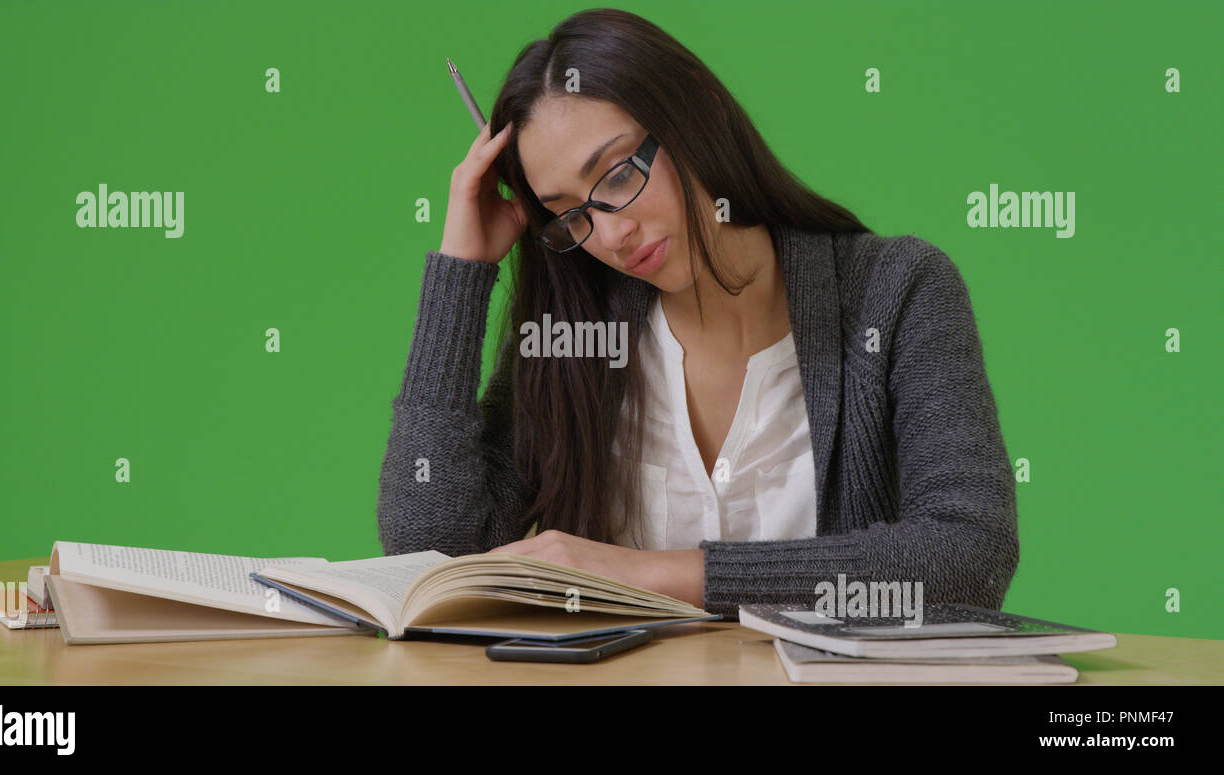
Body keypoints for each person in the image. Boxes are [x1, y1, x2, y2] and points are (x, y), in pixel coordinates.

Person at [377, 8, 1018, 618]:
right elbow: (430, 548)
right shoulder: (579, 335)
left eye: (619, 174)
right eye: (570, 214)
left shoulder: (898, 289)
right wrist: (461, 273)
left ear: (694, 121)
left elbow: (968, 558)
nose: (611, 234)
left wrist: (646, 573)